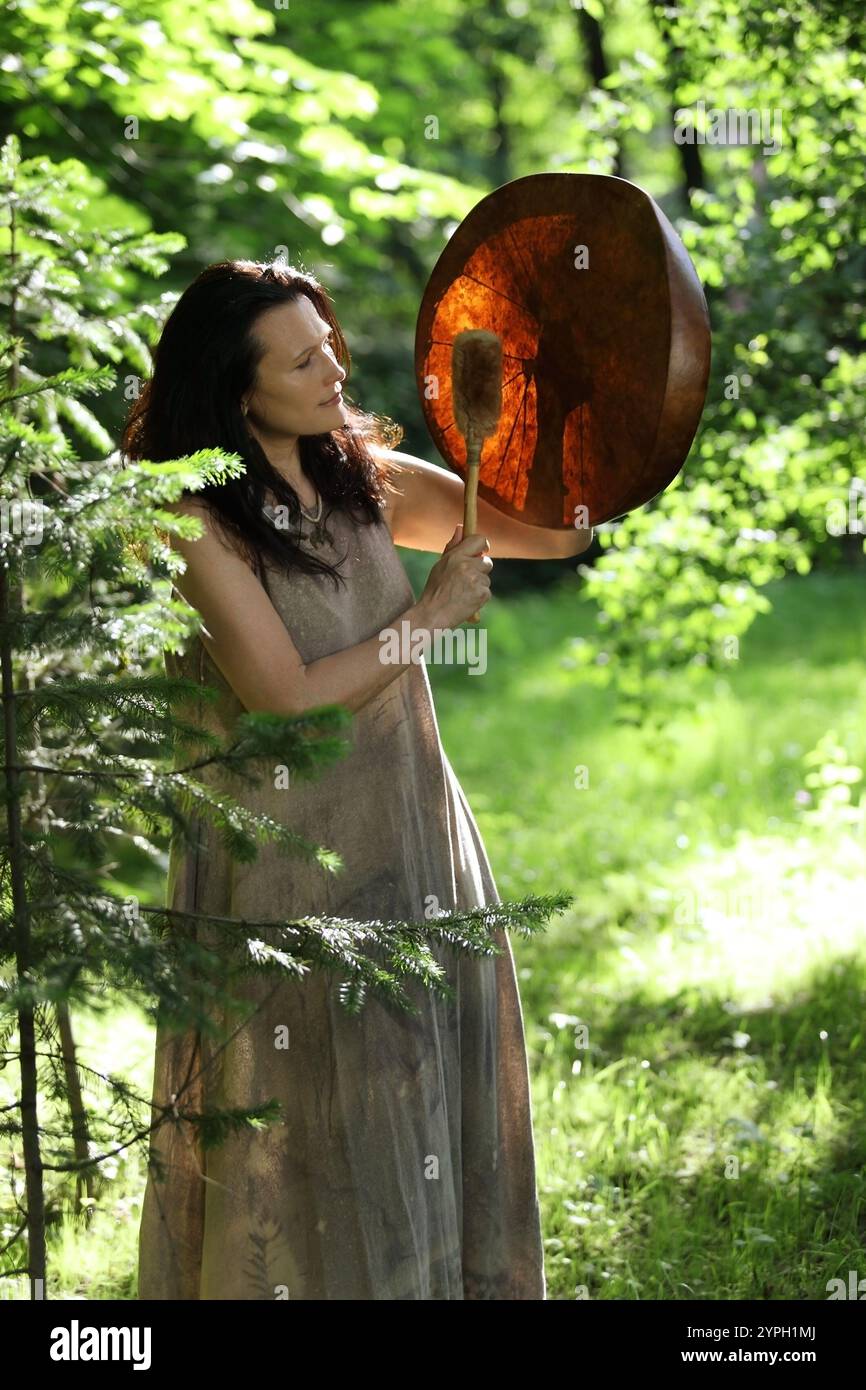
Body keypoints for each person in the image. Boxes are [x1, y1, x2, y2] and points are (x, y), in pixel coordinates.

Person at [123, 258, 592, 1301]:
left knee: (422, 1096)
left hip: (411, 829)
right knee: (305, 1123)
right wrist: (425, 621)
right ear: (238, 390)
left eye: (327, 338)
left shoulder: (360, 473)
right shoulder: (192, 521)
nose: (334, 364)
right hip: (286, 864)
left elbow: (558, 529)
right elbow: (281, 693)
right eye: (302, 357)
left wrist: (557, 403)